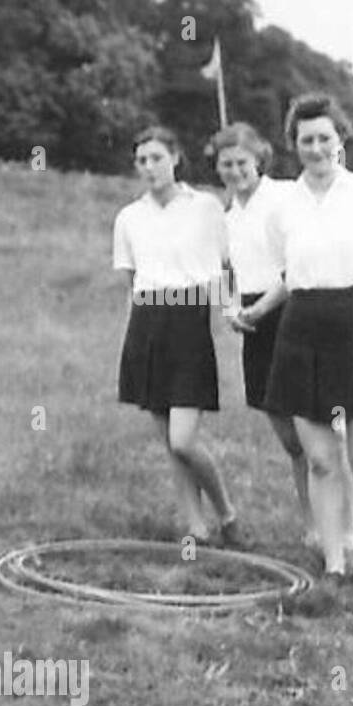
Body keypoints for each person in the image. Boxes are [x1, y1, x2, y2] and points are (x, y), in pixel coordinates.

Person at [210, 122, 353, 551]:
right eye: (226, 165)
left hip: (294, 312)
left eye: (242, 162)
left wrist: (262, 306)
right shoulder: (227, 215)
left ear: (259, 160)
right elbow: (222, 270)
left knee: (326, 433)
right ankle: (311, 522)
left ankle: (345, 531)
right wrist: (228, 307)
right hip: (255, 320)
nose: (235, 171)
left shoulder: (283, 199)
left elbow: (294, 268)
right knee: (291, 437)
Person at [113, 125, 245, 546]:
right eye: (141, 161)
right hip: (148, 323)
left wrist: (227, 309)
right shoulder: (129, 217)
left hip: (189, 320)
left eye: (156, 158)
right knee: (167, 439)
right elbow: (133, 280)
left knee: (184, 440)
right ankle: (195, 527)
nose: (149, 167)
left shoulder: (205, 207)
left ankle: (226, 514)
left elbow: (224, 267)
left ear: (175, 158)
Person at [255, 94, 353, 592]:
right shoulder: (282, 203)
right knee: (319, 457)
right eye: (306, 139)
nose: (316, 147)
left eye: (325, 137)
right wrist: (257, 312)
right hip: (302, 327)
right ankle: (335, 563)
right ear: (293, 145)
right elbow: (286, 274)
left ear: (341, 139)